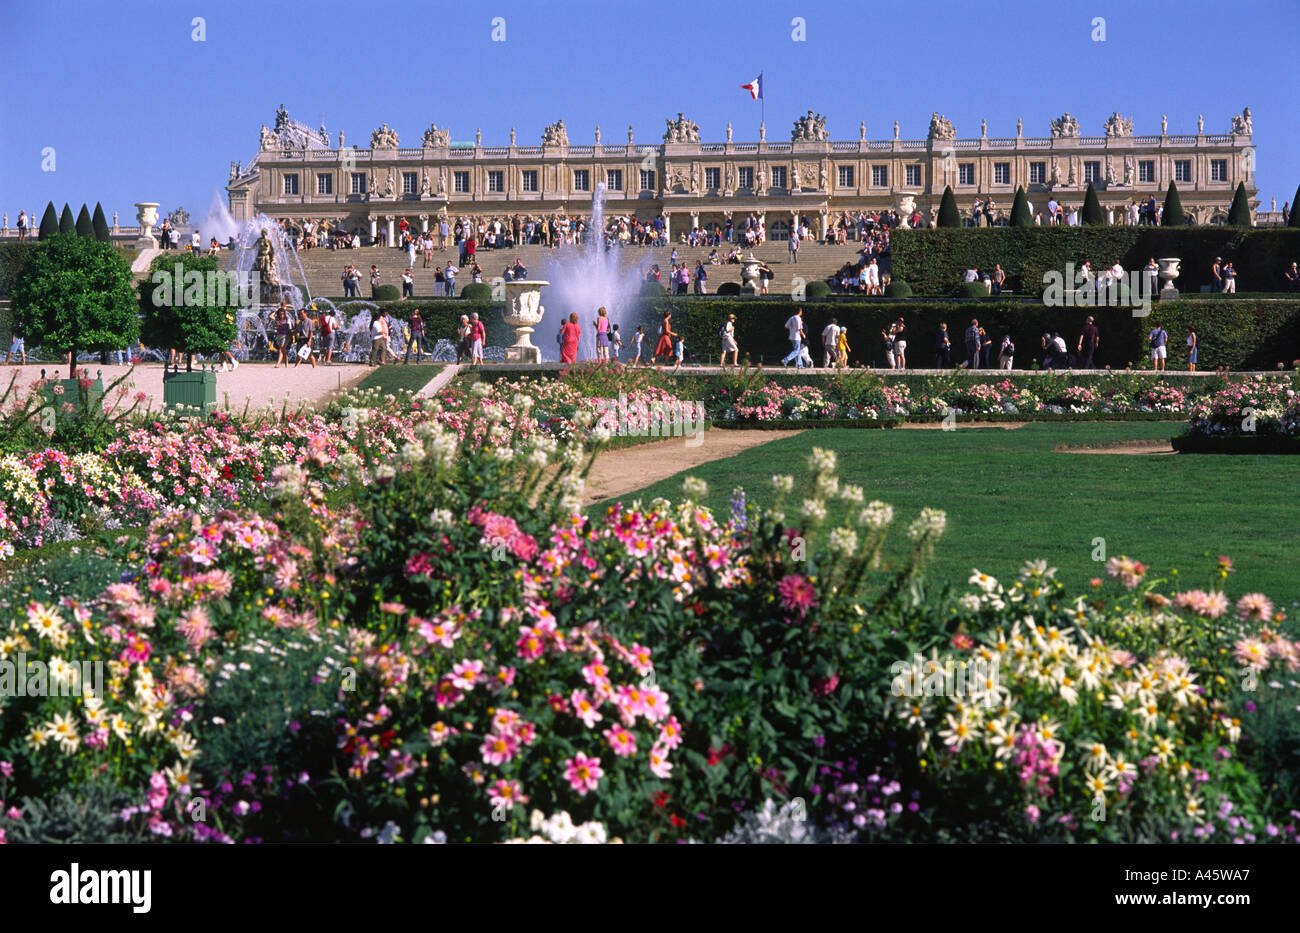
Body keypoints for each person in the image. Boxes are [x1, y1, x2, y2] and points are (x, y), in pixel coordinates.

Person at [272, 302, 292, 368]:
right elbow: (270, 316)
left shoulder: (287, 319)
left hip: (285, 336)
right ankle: (286, 363)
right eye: (280, 314)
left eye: (283, 314)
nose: (281, 315)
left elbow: (290, 328)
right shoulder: (277, 319)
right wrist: (276, 311)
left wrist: (289, 336)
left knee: (281, 349)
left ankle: (278, 364)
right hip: (279, 335)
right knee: (283, 350)